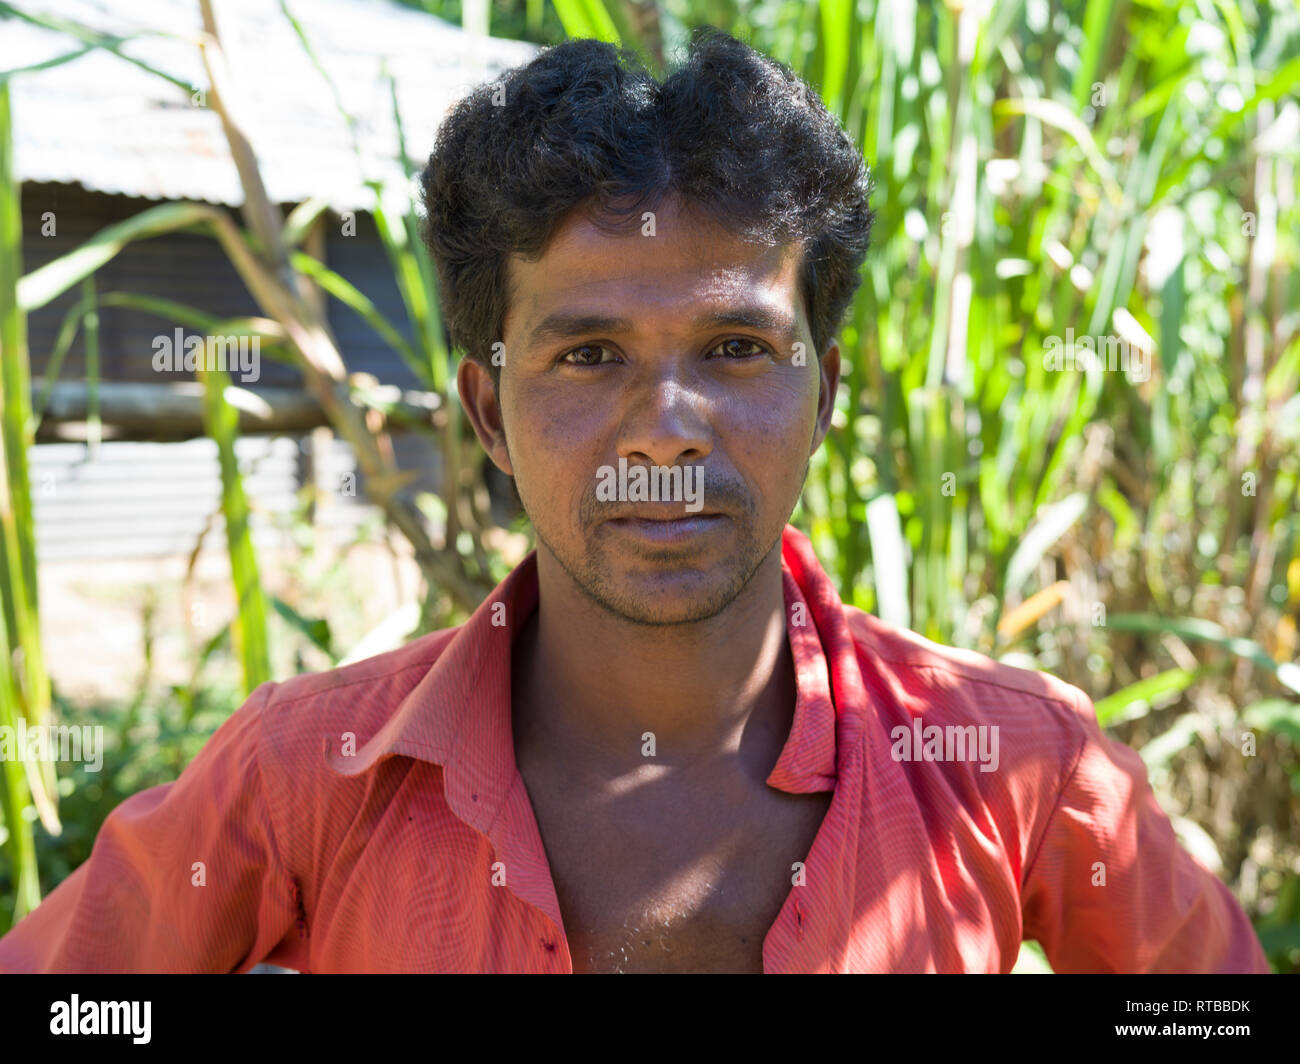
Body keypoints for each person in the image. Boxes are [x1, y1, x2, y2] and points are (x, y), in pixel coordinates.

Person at [0, 30, 1268, 974]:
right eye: (588, 354)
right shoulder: (305, 774)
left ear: (821, 393)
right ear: (489, 411)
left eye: (731, 348)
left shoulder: (1014, 759)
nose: (665, 428)